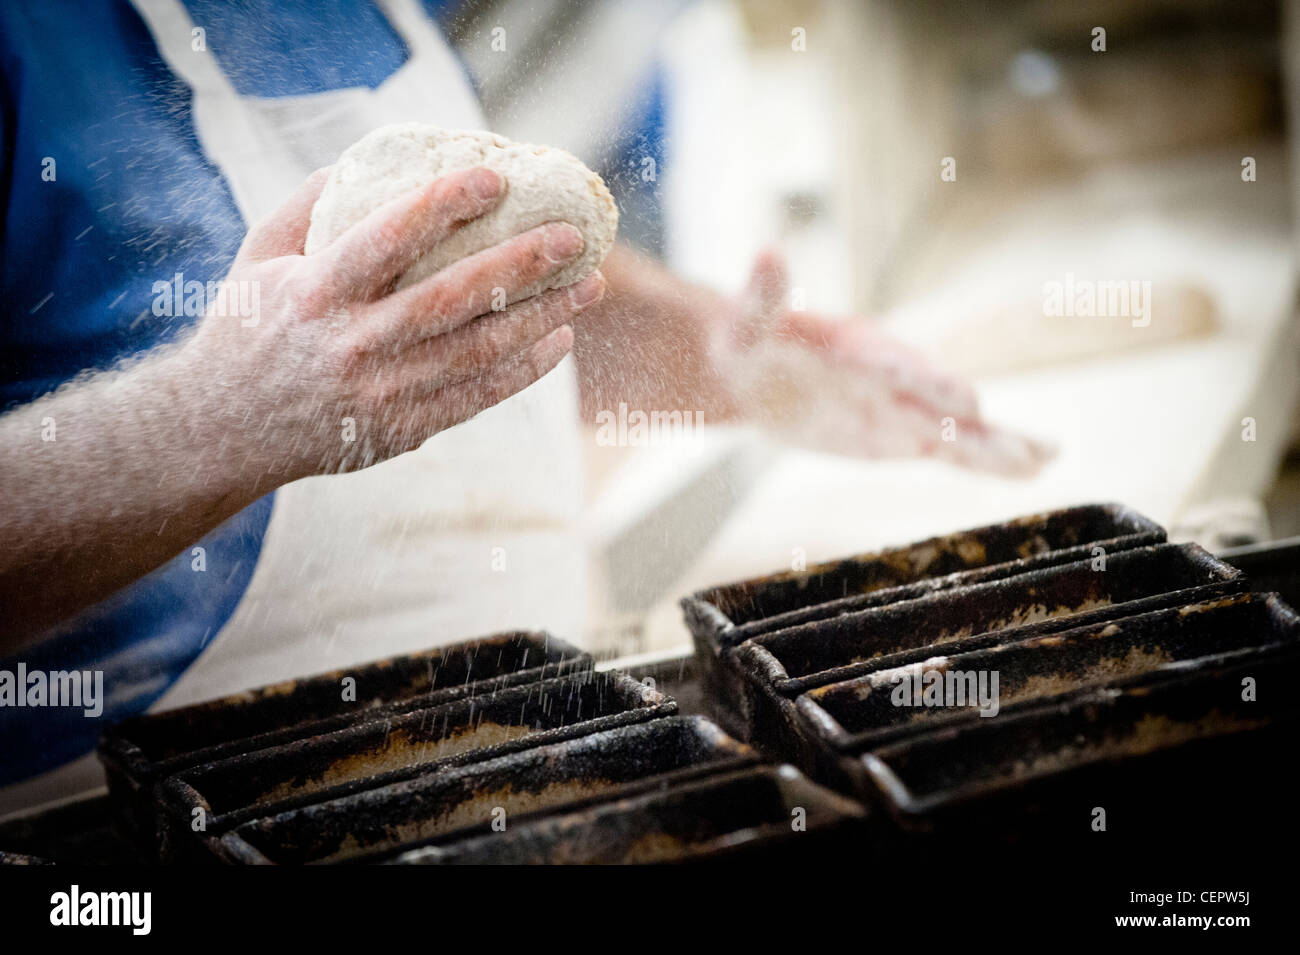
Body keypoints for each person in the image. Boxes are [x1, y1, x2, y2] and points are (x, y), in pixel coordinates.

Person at [0, 0, 1041, 811]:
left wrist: (723, 363)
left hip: (539, 763)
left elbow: (452, 318)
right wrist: (215, 420)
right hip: (132, 826)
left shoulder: (377, 12)